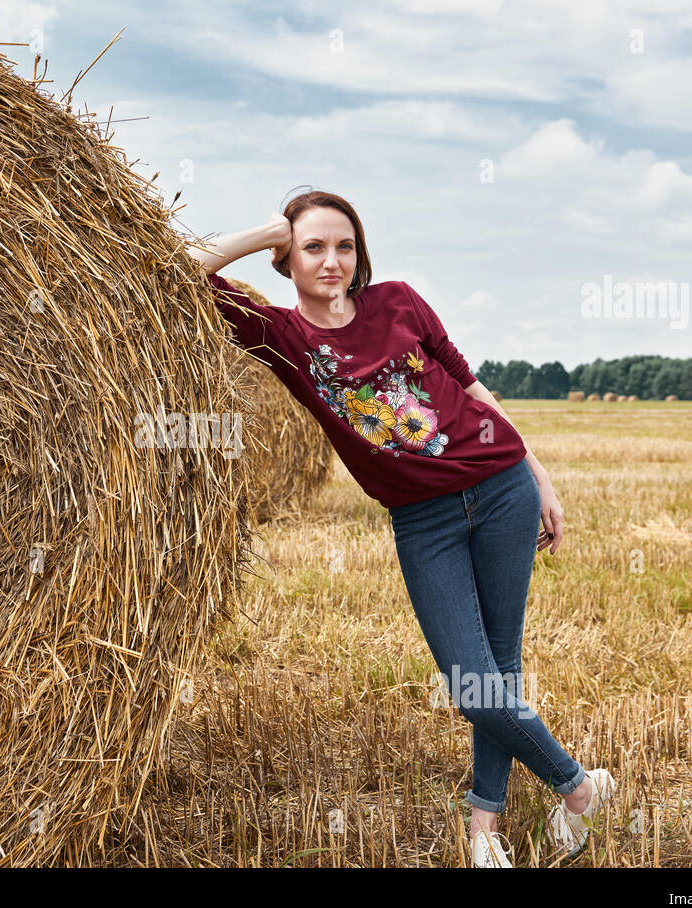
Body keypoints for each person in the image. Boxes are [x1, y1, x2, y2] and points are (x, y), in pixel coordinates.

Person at [187, 189, 617, 867]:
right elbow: (179, 268)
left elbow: (470, 388)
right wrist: (270, 227)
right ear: (287, 259)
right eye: (312, 246)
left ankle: (483, 824)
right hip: (424, 522)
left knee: (499, 667)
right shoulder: (280, 335)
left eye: (344, 245)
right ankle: (578, 785)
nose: (332, 260)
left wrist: (540, 477)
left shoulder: (399, 300)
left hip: (502, 486)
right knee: (467, 678)